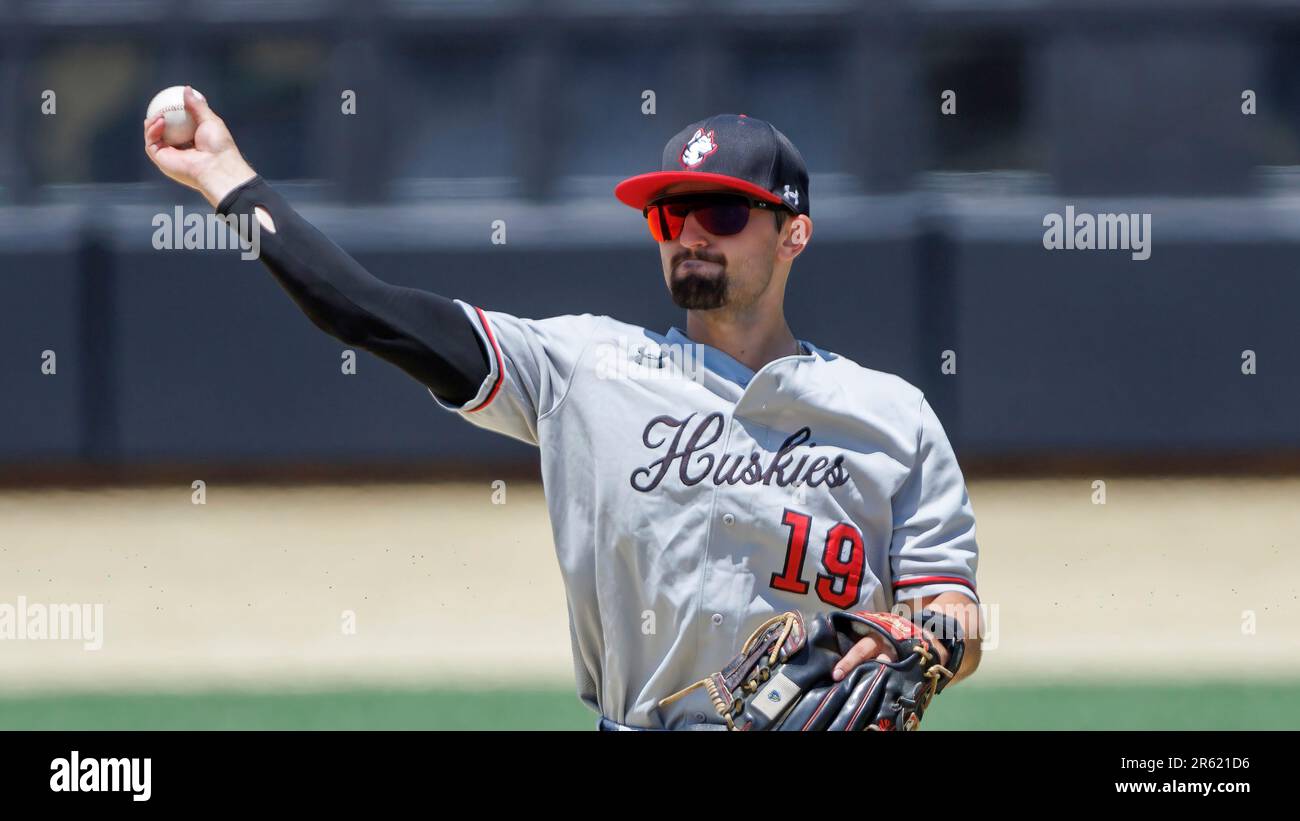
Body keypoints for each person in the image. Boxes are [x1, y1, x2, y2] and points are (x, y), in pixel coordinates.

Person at [145, 88, 981, 730]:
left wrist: (929, 642)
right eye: (670, 212)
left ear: (793, 232)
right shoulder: (585, 367)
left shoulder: (891, 416)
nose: (689, 233)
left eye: (721, 212)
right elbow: (360, 308)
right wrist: (226, 178)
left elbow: (957, 614)